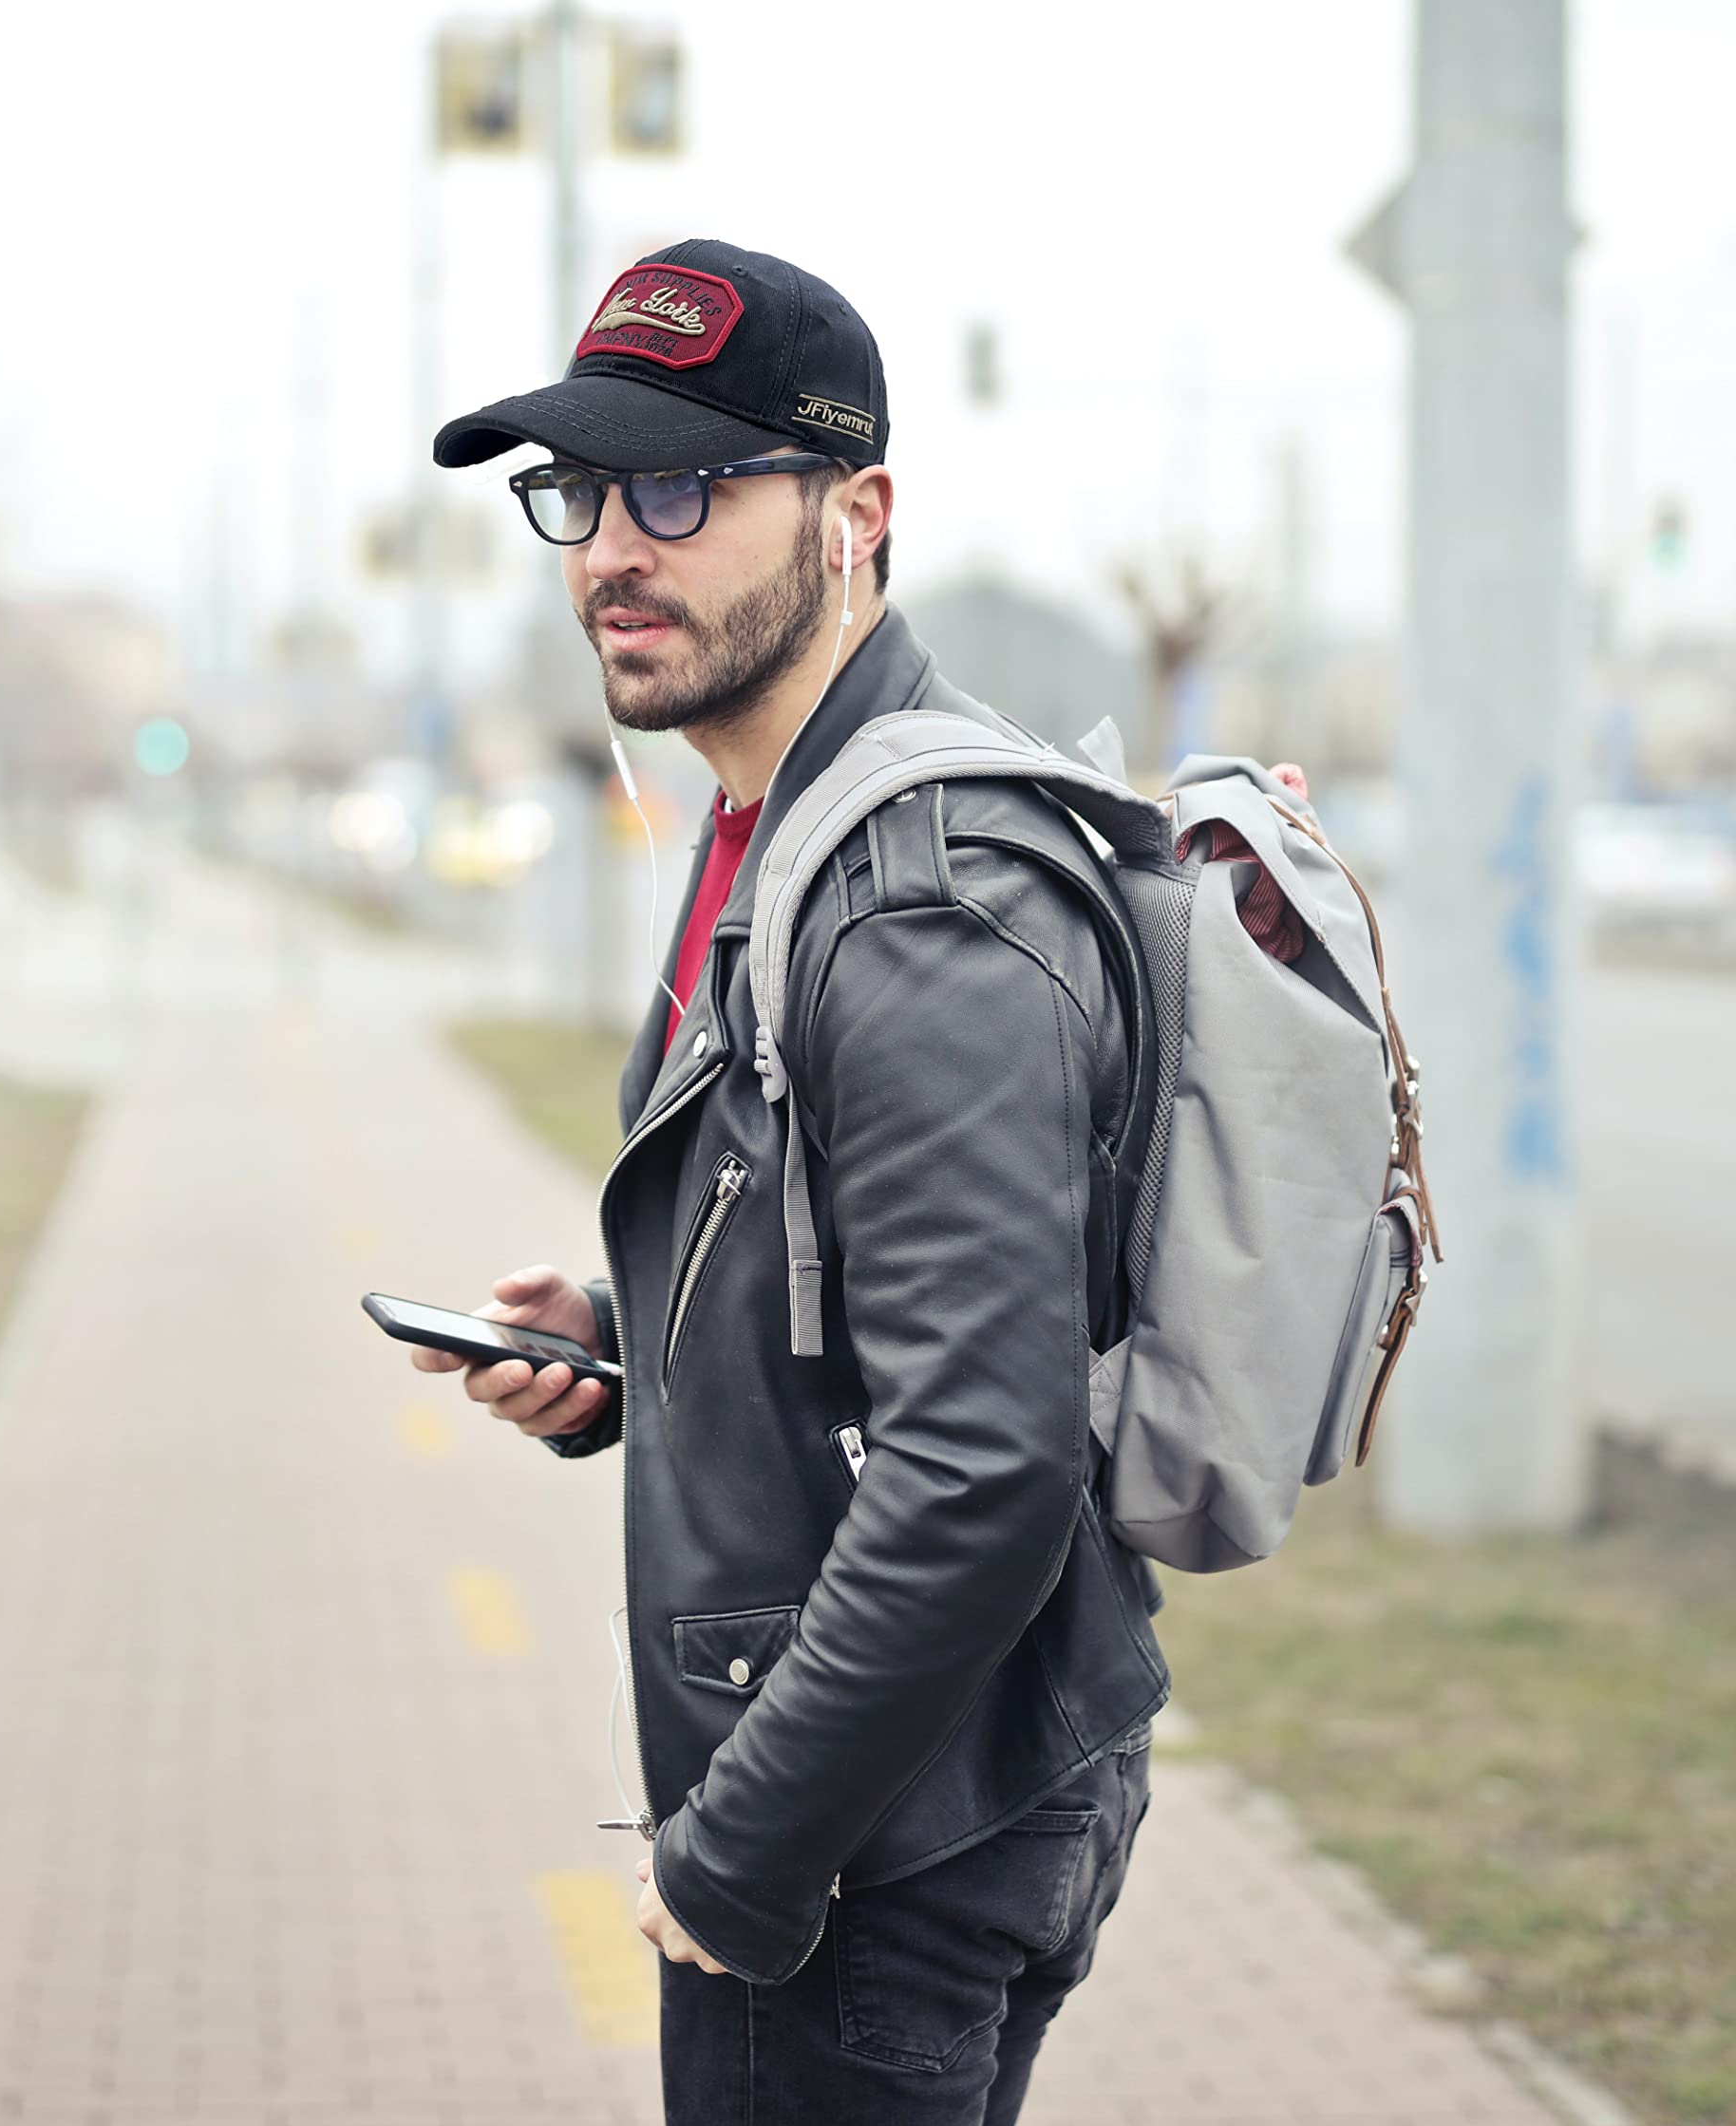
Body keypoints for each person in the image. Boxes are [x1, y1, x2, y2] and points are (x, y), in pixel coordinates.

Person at [413, 240, 1169, 2125]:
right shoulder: (782, 823)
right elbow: (863, 1288)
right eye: (578, 492)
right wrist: (620, 1356)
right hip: (881, 1795)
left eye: (681, 483)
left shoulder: (915, 898)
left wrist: (736, 1851)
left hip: (869, 1842)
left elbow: (979, 1458)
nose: (609, 548)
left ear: (857, 515)